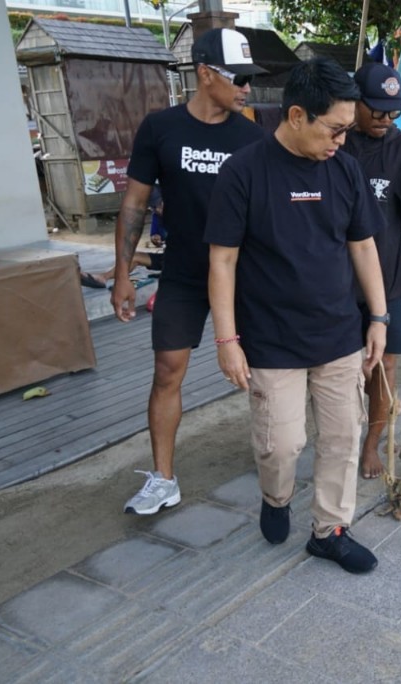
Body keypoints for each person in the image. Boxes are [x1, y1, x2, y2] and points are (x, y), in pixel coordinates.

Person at [205, 58, 388, 575]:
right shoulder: (244, 171)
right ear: (297, 115)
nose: (340, 142)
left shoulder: (344, 169)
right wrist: (226, 339)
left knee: (341, 437)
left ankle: (330, 530)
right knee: (281, 444)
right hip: (270, 339)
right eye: (333, 130)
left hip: (338, 333)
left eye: (347, 131)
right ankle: (276, 496)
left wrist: (378, 317)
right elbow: (222, 259)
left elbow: (364, 247)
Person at [111, 28, 265, 515]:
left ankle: (275, 454)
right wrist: (121, 273)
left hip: (245, 277)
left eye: (249, 80)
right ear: (205, 74)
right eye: (238, 78)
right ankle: (163, 478)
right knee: (166, 372)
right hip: (182, 273)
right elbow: (134, 204)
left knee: (266, 371)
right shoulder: (161, 128)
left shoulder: (255, 137)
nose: (246, 89)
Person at [344, 62, 401, 480]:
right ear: (354, 103)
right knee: (342, 371)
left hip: (390, 284)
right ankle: (343, 440)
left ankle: (371, 445)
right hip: (337, 287)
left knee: (384, 368)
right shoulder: (335, 143)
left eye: (392, 111)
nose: (385, 119)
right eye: (376, 109)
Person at [82, 189, 166, 288]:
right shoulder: (157, 216)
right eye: (154, 207)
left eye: (160, 205)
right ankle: (103, 277)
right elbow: (155, 238)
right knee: (133, 257)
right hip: (169, 258)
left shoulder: (181, 215)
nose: (158, 209)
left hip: (184, 262)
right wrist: (156, 239)